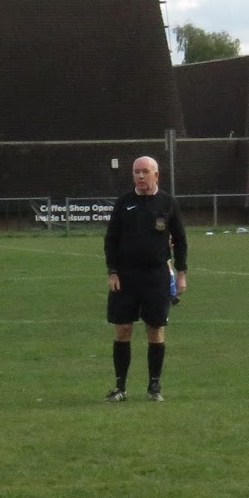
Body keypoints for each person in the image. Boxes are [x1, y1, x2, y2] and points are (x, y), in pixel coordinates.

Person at [104, 155, 188, 402]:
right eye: (136, 172)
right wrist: (112, 271)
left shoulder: (167, 203)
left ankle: (154, 386)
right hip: (126, 277)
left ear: (156, 175)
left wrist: (181, 274)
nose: (140, 176)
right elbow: (111, 241)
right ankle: (120, 387)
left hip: (156, 276)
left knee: (155, 330)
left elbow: (181, 241)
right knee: (123, 329)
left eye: (145, 172)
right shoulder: (123, 203)